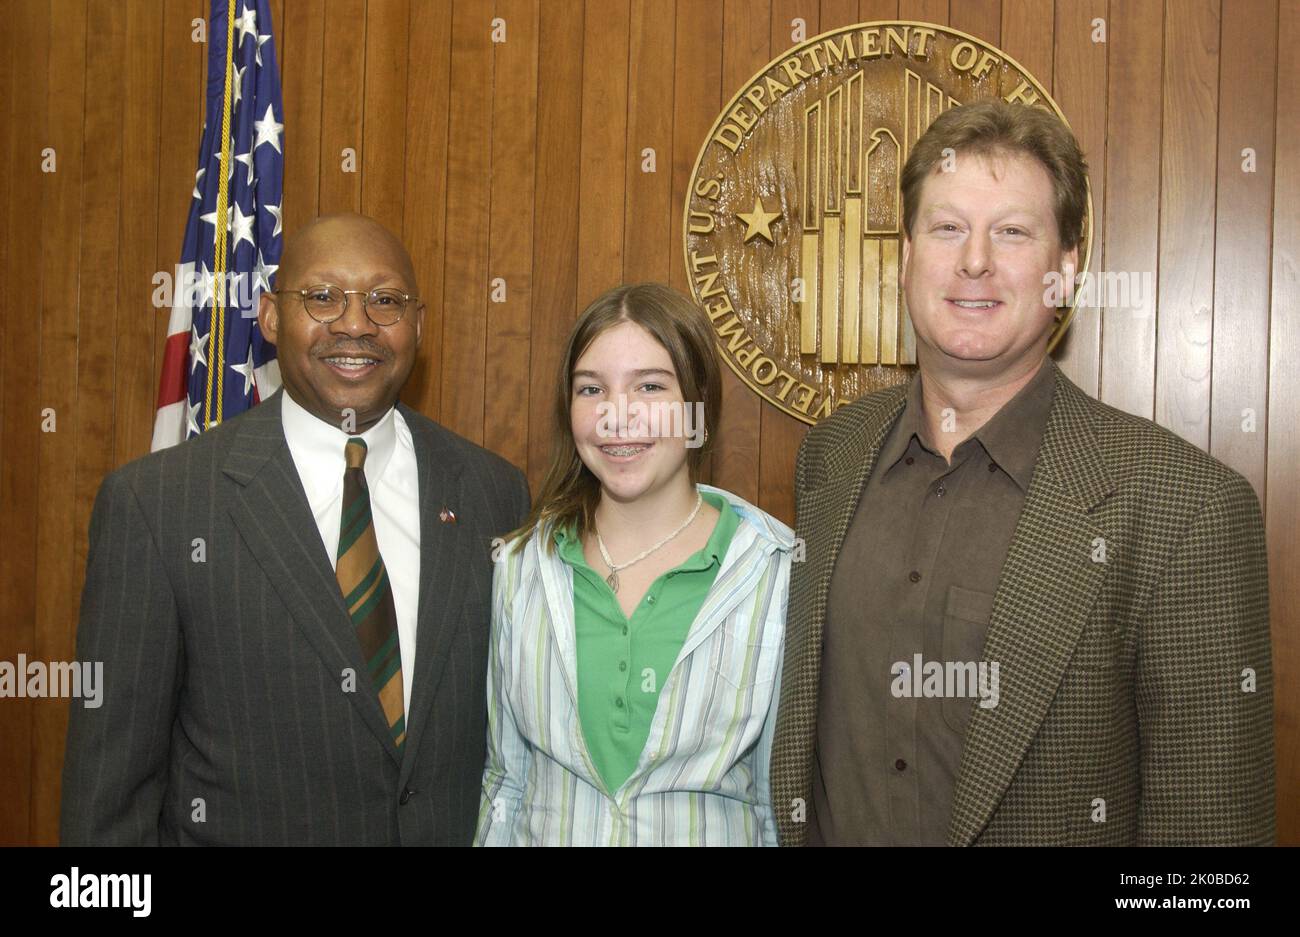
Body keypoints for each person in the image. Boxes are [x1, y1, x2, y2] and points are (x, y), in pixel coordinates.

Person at [771, 100, 1275, 845]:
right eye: (947, 228)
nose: (974, 260)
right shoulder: (833, 454)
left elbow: (1208, 854)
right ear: (905, 257)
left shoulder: (1186, 508)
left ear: (1065, 270)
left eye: (1011, 231)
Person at [61, 213, 529, 845]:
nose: (356, 323)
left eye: (384, 301)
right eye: (322, 297)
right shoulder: (158, 506)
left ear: (419, 324)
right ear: (270, 316)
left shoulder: (492, 493)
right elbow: (108, 800)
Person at [474, 283, 793, 846]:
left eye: (649, 386)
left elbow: (775, 804)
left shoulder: (775, 569)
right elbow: (506, 783)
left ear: (698, 406)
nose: (617, 417)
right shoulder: (520, 565)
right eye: (591, 389)